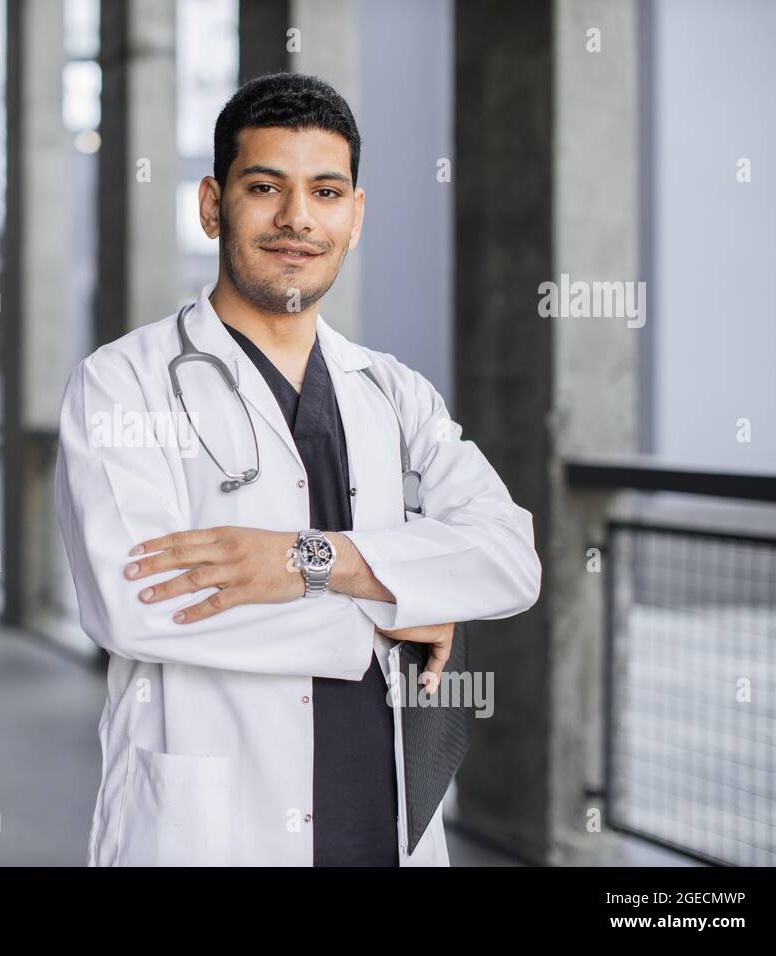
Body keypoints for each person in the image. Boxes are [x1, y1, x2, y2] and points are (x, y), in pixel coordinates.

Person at [54, 72, 541, 866]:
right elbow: (136, 605)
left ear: (355, 216)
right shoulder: (122, 381)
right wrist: (395, 607)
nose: (296, 219)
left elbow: (510, 561)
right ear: (213, 204)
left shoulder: (393, 391)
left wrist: (308, 562)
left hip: (383, 823)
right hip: (212, 831)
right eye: (264, 187)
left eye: (325, 191)